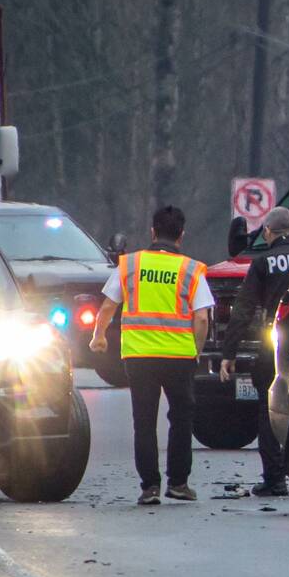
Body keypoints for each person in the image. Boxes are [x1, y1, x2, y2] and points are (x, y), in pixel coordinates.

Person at [89, 205, 213, 505]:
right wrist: (196, 350)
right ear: (181, 236)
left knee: (143, 421)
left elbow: (107, 307)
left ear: (153, 232)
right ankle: (179, 483)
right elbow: (202, 319)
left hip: (140, 356)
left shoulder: (130, 265)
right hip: (179, 357)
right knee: (181, 419)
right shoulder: (191, 269)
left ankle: (150, 487)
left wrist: (98, 337)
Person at [218, 206, 289, 497]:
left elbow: (244, 309)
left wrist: (228, 353)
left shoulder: (263, 262)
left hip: (276, 344)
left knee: (269, 408)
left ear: (269, 232)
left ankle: (275, 479)